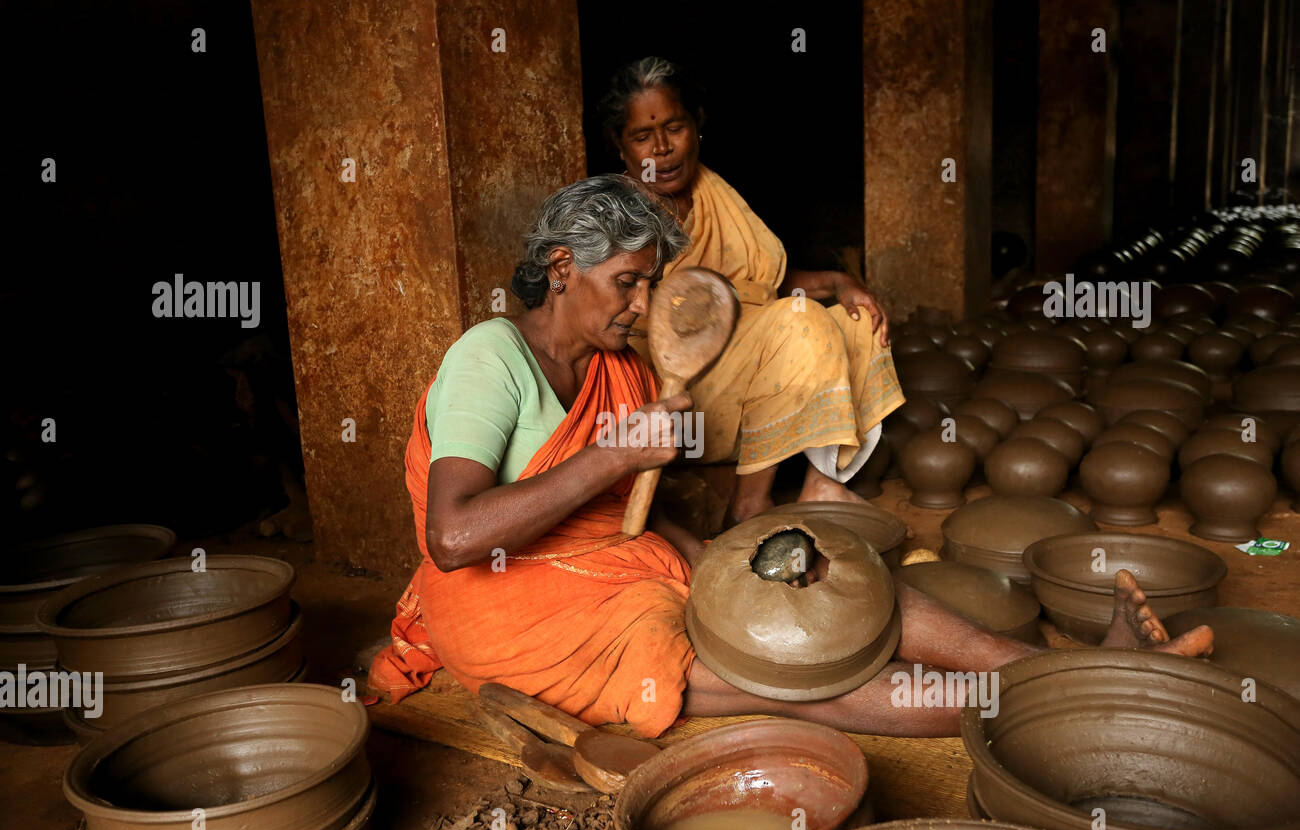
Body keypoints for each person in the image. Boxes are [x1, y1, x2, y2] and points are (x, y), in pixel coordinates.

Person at [368, 175, 1214, 740]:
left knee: (847, 588)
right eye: (627, 281)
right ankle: (1080, 708)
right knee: (803, 667)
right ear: (561, 269)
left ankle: (1078, 670)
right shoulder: (492, 357)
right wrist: (613, 459)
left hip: (619, 564)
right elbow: (453, 536)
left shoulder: (616, 364)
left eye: (650, 283)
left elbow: (627, 514)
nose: (643, 303)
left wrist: (717, 565)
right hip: (516, 614)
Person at [598, 56, 903, 523]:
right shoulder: (618, 214)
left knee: (856, 322)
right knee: (797, 322)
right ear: (620, 148)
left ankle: (820, 485)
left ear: (696, 126)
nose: (661, 148)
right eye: (642, 137)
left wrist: (840, 283)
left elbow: (764, 285)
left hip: (737, 370)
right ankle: (750, 503)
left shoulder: (712, 191)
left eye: (674, 127)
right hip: (665, 392)